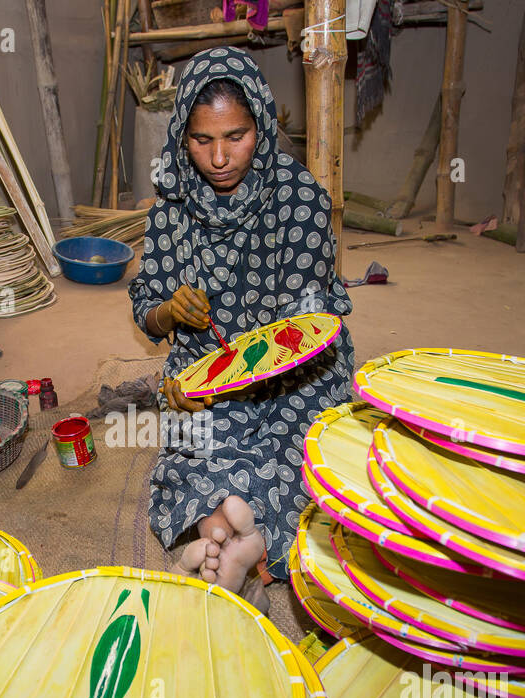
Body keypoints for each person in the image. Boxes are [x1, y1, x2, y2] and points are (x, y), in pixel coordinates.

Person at [129, 47, 354, 613]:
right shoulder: (171, 206)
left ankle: (223, 530)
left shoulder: (299, 200)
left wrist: (250, 376)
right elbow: (146, 309)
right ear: (182, 135)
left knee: (315, 450)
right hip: (209, 368)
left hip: (295, 370)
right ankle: (232, 530)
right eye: (202, 141)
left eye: (236, 135)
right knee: (187, 436)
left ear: (262, 125)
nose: (221, 157)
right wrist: (170, 316)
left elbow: (306, 330)